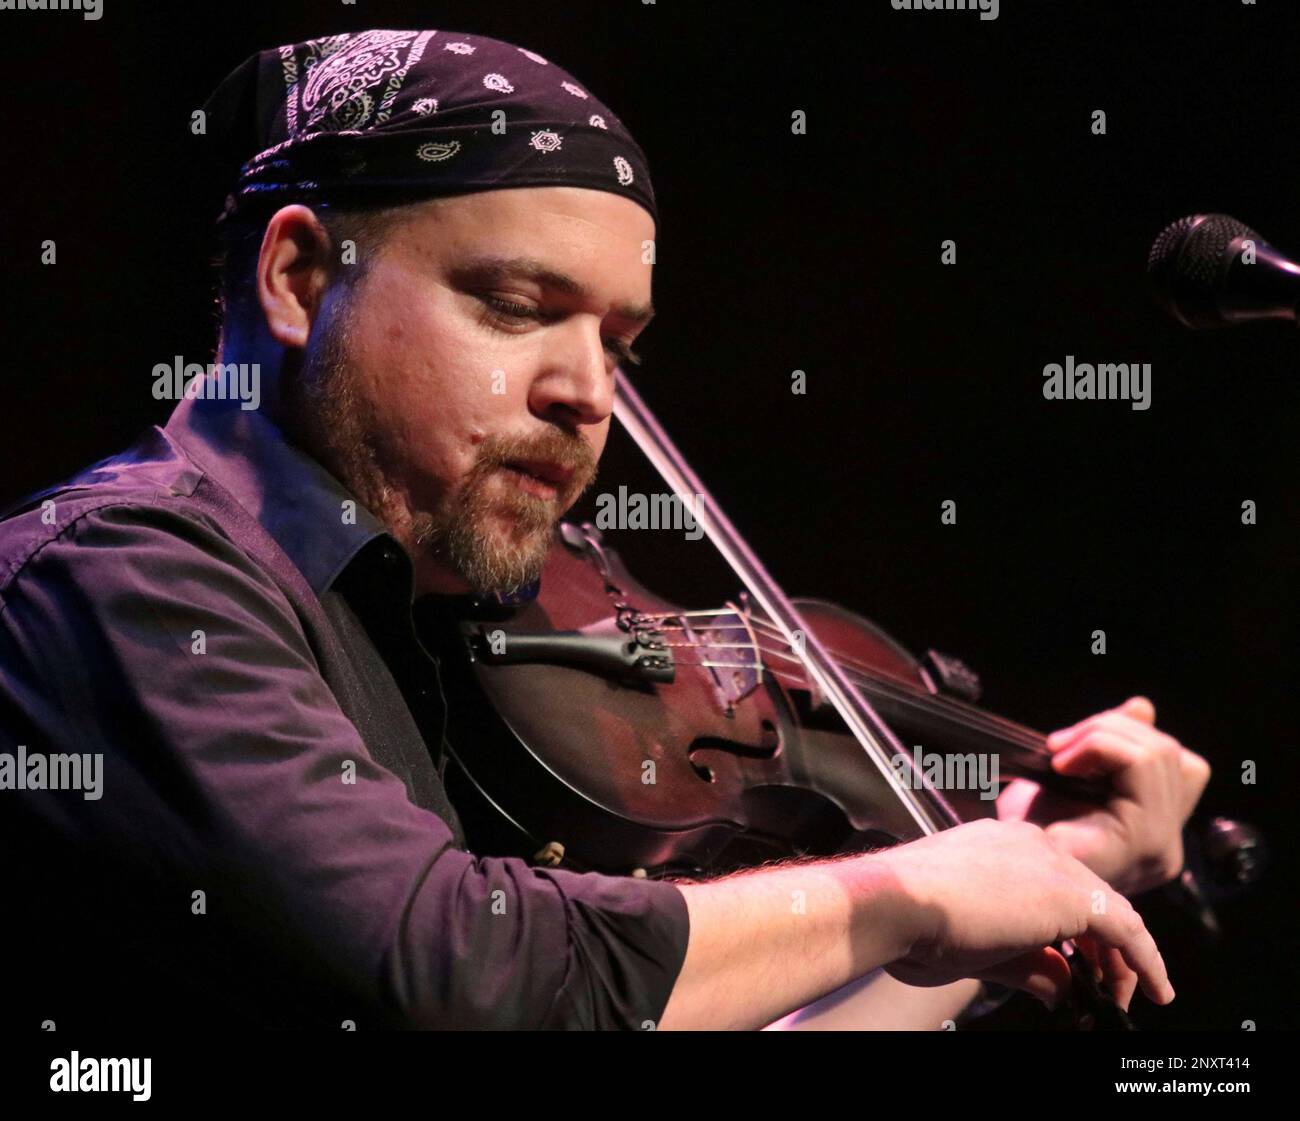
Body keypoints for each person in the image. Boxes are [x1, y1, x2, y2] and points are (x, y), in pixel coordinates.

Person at [0, 29, 1208, 1031]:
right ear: (303, 277)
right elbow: (455, 972)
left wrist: (1037, 862)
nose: (588, 394)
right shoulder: (114, 577)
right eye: (519, 307)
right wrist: (904, 889)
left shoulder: (433, 627)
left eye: (618, 346)